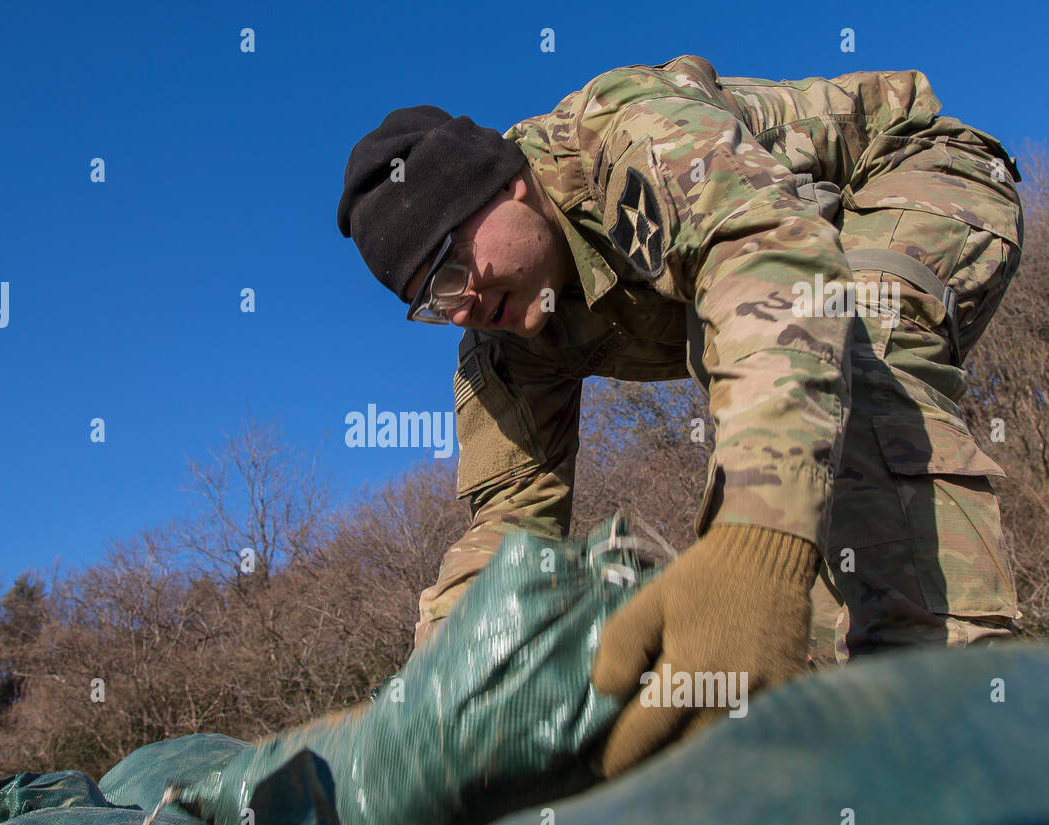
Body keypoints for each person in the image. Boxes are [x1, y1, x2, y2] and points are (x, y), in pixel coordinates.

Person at [336, 54, 1023, 777]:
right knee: (787, 602)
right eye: (431, 303)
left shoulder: (625, 133)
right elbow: (507, 525)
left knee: (844, 356)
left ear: (510, 187)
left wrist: (755, 544)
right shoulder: (503, 330)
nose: (460, 307)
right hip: (793, 266)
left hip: (910, 171)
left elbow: (769, 266)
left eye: (451, 268)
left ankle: (962, 719)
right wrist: (425, 712)